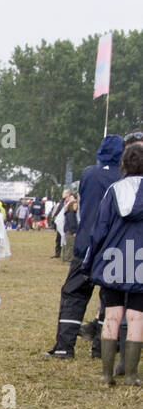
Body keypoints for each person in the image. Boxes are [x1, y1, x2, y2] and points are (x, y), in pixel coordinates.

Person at [45, 135, 124, 359]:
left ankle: (64, 347)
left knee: (74, 294)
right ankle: (100, 348)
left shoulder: (89, 174)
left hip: (85, 243)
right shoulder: (124, 177)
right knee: (109, 299)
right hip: (113, 246)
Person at [82, 141, 143, 386]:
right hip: (140, 261)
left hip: (112, 260)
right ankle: (131, 375)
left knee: (111, 317)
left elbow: (100, 230)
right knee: (137, 318)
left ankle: (106, 375)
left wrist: (90, 259)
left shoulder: (113, 191)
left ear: (123, 165)